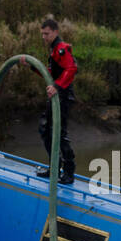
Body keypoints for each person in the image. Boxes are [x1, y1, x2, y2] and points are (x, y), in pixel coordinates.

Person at [34, 17, 77, 185]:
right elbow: (51, 73)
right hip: (56, 95)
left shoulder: (61, 49)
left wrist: (57, 86)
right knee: (45, 129)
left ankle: (69, 172)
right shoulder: (54, 50)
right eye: (42, 34)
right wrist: (32, 66)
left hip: (63, 96)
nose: (44, 37)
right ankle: (54, 167)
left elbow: (71, 68)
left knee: (60, 133)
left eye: (47, 34)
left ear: (55, 32)